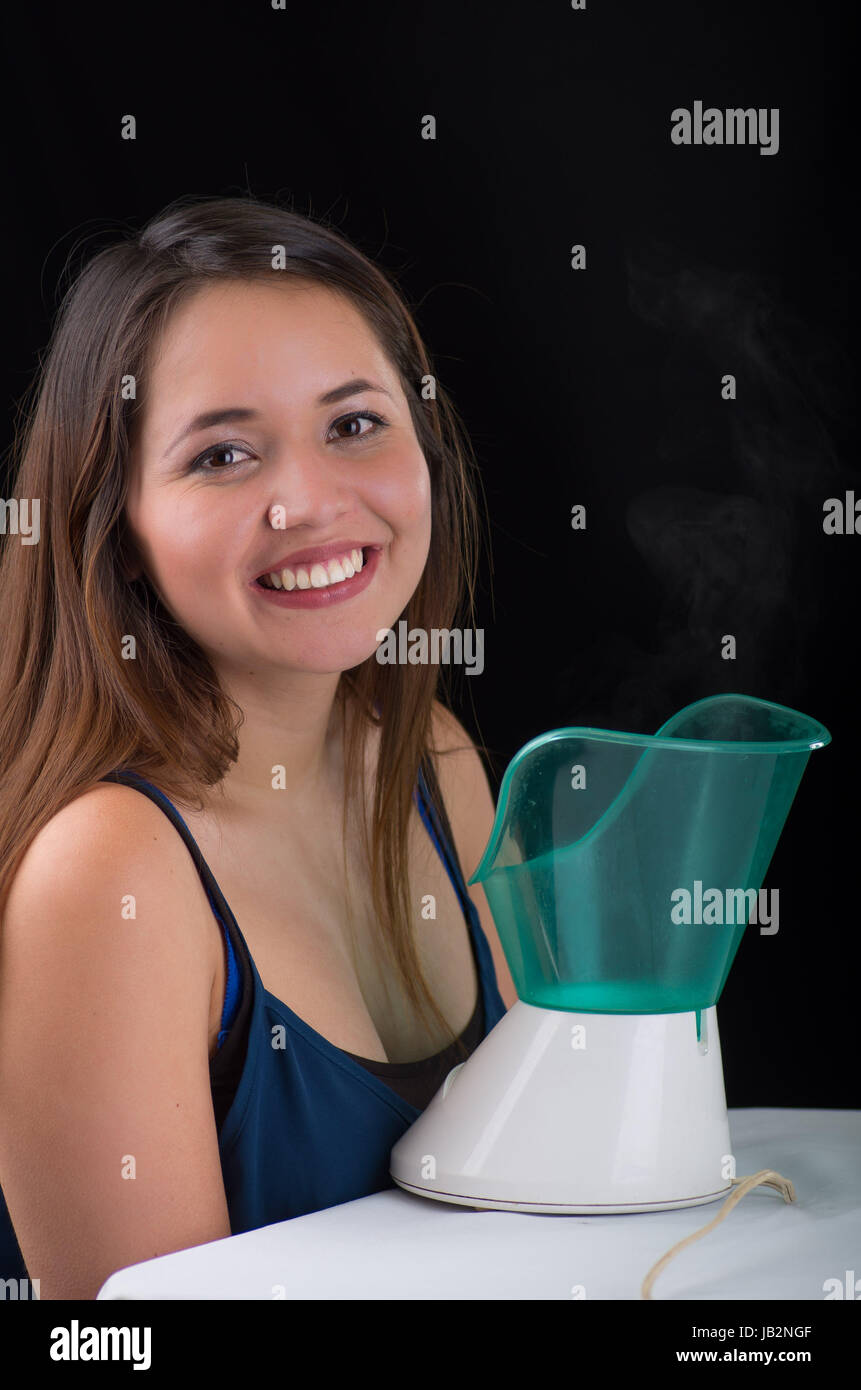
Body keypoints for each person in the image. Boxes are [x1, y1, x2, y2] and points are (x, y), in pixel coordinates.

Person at [0, 195, 517, 1300]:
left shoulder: (434, 758)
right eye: (225, 453)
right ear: (119, 531)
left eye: (353, 423)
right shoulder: (110, 872)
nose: (310, 502)